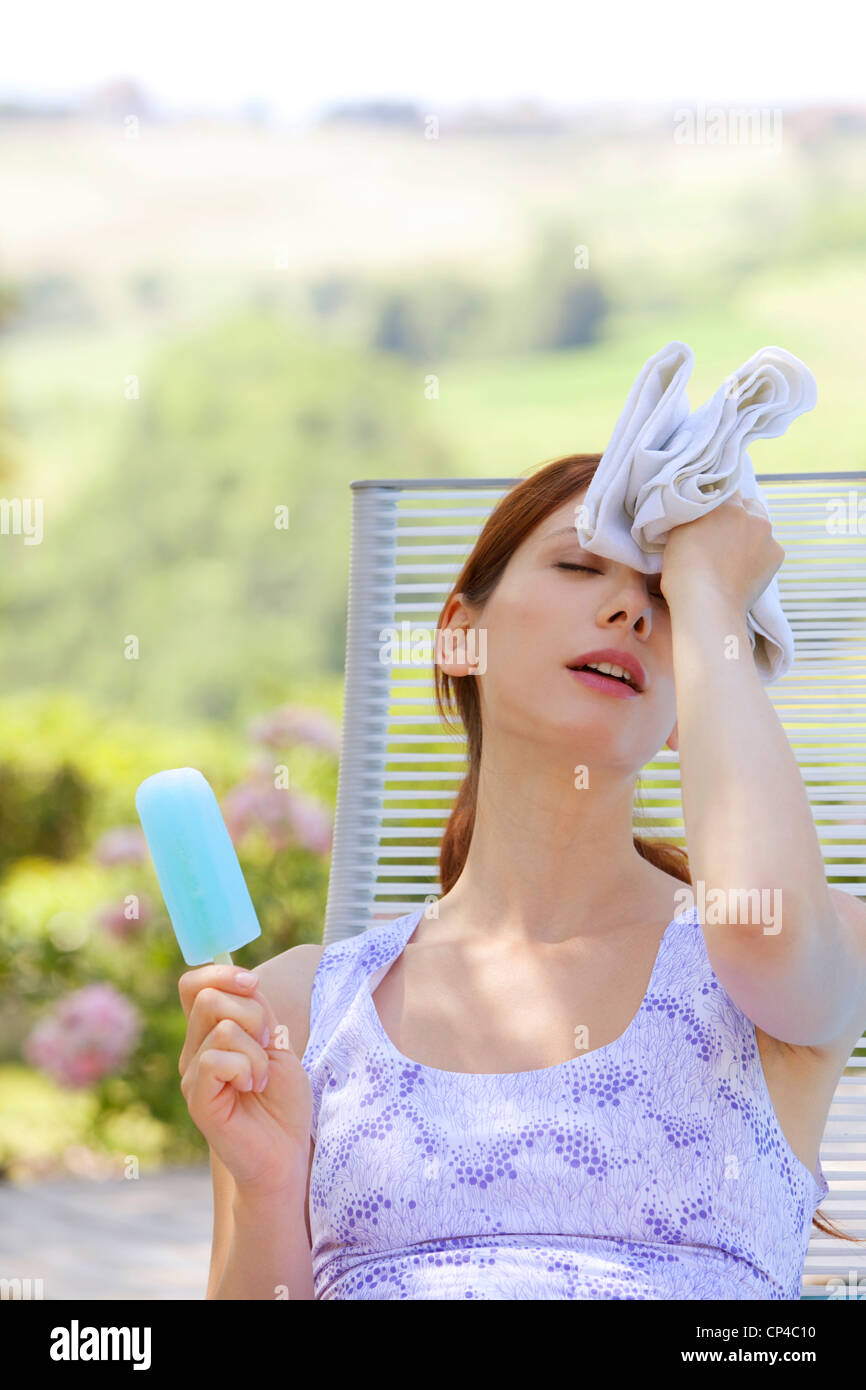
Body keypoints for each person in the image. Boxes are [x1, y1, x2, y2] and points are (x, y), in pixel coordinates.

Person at [182, 452, 866, 1300]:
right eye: (580, 566)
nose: (629, 609)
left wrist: (715, 601)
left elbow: (767, 931)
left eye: (666, 597)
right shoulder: (295, 1010)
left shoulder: (794, 963)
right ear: (459, 633)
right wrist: (269, 1186)